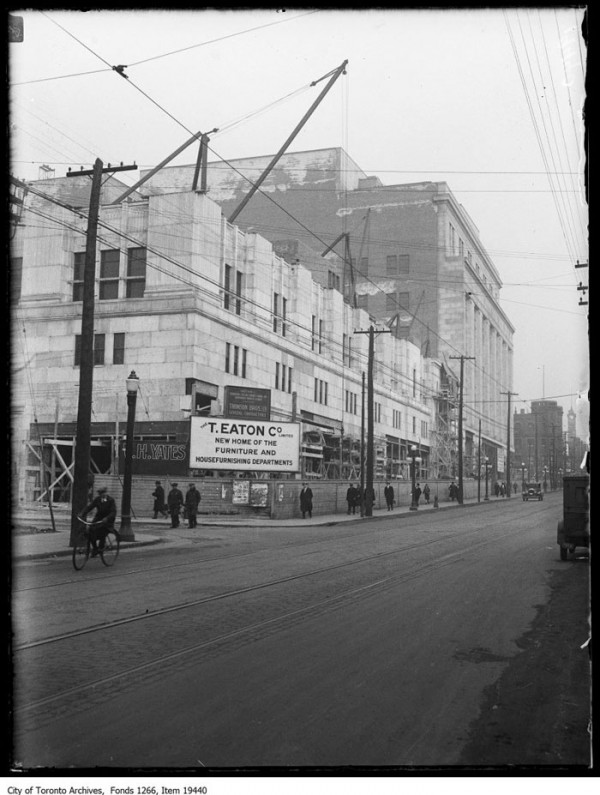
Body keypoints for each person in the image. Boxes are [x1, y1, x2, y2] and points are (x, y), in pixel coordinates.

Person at [79, 486, 116, 557]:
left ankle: (101, 547)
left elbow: (113, 512)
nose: (102, 495)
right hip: (99, 518)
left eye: (103, 493)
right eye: (100, 493)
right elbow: (90, 507)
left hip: (108, 521)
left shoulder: (111, 500)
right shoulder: (97, 500)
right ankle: (95, 548)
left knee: (102, 532)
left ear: (106, 493)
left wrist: (107, 518)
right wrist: (82, 513)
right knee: (90, 531)